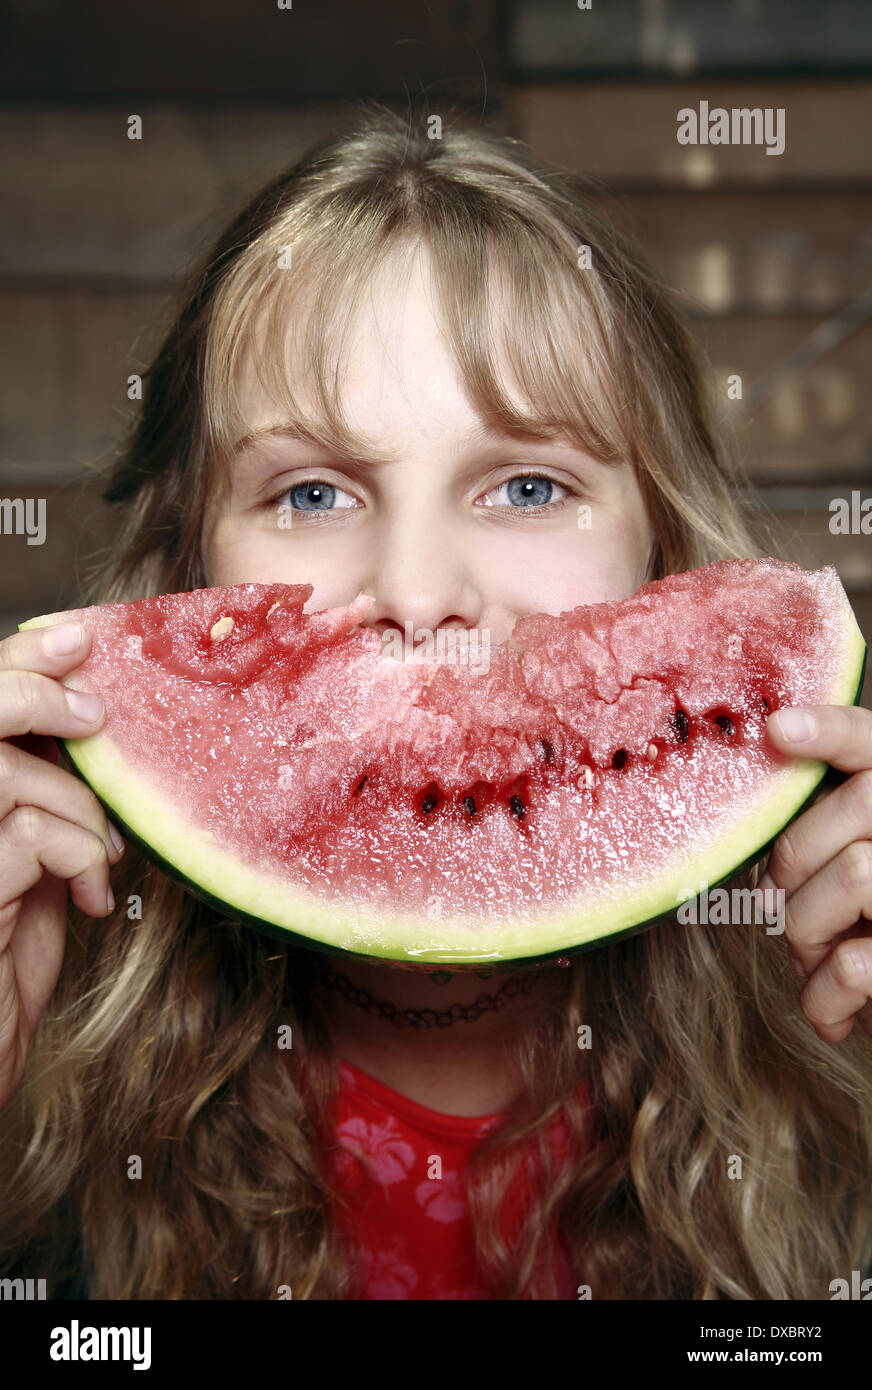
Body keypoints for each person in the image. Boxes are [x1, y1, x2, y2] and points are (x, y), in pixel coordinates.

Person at [0, 103, 870, 1301]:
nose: (418, 594)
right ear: (188, 566)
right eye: (309, 494)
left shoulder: (831, 1027)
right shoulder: (43, 1041)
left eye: (525, 483)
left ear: (663, 555)